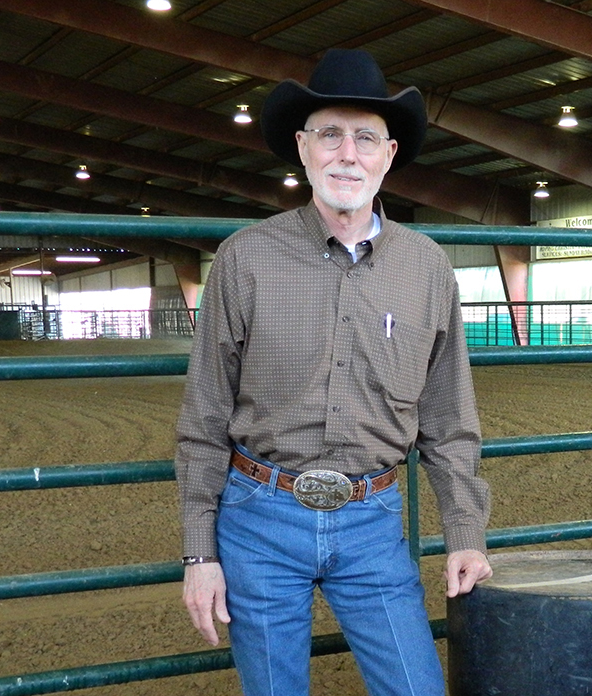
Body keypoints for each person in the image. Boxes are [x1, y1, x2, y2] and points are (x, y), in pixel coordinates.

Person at [174, 48, 491, 696]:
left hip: (372, 521)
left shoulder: (428, 269)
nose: (348, 154)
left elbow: (449, 419)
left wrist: (466, 534)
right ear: (303, 147)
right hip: (260, 519)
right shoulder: (244, 260)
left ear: (388, 155)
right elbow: (204, 417)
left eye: (365, 138)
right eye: (330, 135)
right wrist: (200, 554)